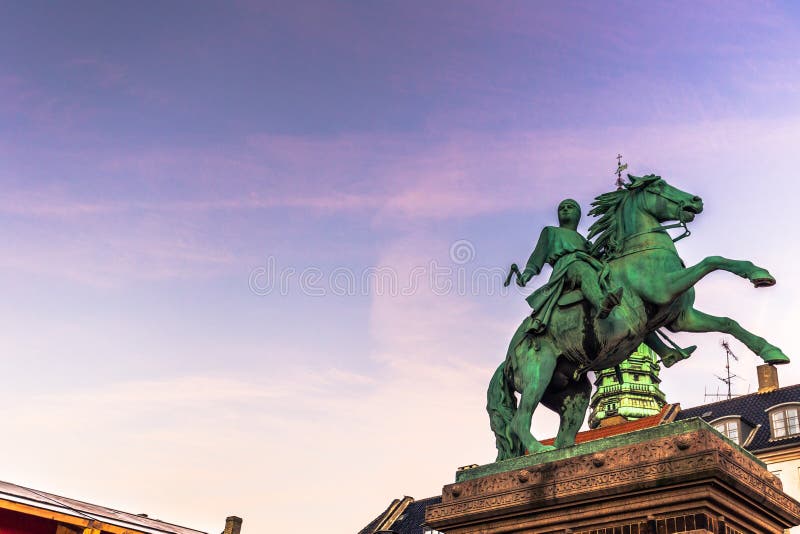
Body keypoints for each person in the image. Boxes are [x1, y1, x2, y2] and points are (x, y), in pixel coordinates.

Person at [510, 199, 622, 333]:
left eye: (570, 207)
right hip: (566, 265)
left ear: (578, 215)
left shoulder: (583, 240)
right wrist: (527, 274)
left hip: (587, 262)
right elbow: (537, 255)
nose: (565, 209)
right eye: (562, 208)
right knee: (584, 271)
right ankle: (601, 304)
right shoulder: (550, 232)